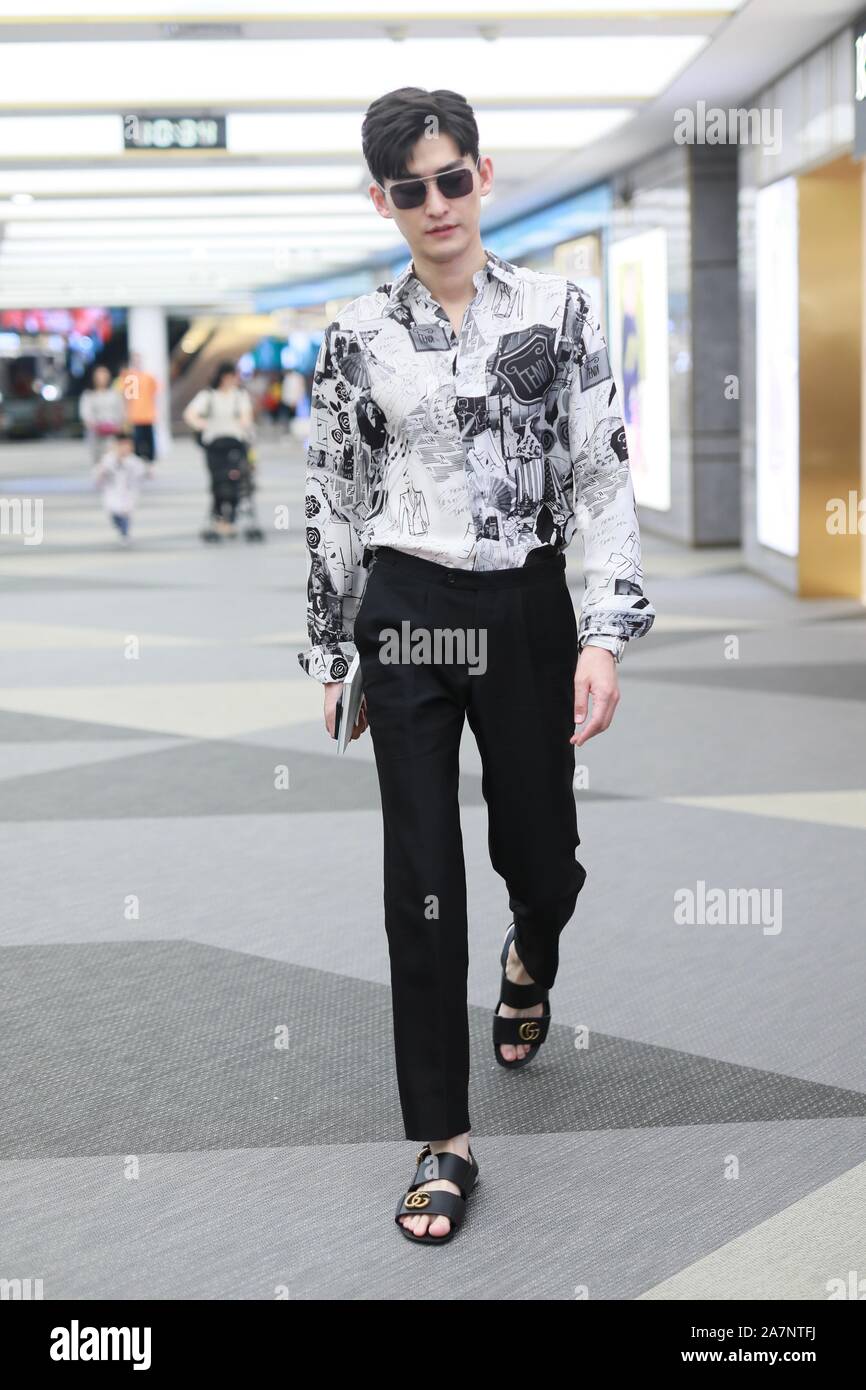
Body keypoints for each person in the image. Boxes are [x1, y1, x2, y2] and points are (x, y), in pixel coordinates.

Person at [297, 88, 656, 1245]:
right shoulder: (355, 334)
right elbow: (334, 495)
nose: (436, 203)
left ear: (481, 177)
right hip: (406, 610)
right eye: (411, 188)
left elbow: (598, 474)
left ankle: (530, 951)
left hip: (523, 605)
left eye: (452, 178)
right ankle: (442, 1139)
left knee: (538, 853)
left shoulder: (559, 310)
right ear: (382, 200)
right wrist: (327, 645)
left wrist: (601, 634)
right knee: (419, 871)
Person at [183, 363, 254, 537]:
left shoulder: (240, 396)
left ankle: (231, 518)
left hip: (235, 443)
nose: (233, 380)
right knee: (218, 482)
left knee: (236, 480)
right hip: (214, 445)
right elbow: (190, 414)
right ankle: (219, 517)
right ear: (223, 377)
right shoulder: (208, 395)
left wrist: (242, 424)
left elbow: (247, 416)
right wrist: (202, 425)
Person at [93, 430, 148, 543]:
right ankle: (120, 526)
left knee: (126, 513)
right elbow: (99, 474)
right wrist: (101, 474)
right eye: (122, 446)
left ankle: (125, 532)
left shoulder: (134, 461)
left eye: (128, 446)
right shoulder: (108, 459)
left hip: (129, 493)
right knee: (114, 512)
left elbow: (141, 473)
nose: (125, 449)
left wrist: (147, 472)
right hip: (112, 492)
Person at [79, 364, 125, 465]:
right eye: (99, 375)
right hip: (95, 435)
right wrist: (94, 426)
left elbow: (121, 412)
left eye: (104, 375)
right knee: (97, 462)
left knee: (112, 461)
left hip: (112, 435)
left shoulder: (114, 394)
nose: (101, 378)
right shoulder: (89, 395)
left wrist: (118, 426)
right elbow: (85, 413)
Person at [119, 352, 160, 466]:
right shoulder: (128, 376)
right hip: (135, 416)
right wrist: (125, 413)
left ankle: (150, 462)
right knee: (136, 441)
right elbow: (125, 397)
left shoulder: (149, 377)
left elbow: (155, 394)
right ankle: (137, 463)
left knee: (150, 441)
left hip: (148, 415)